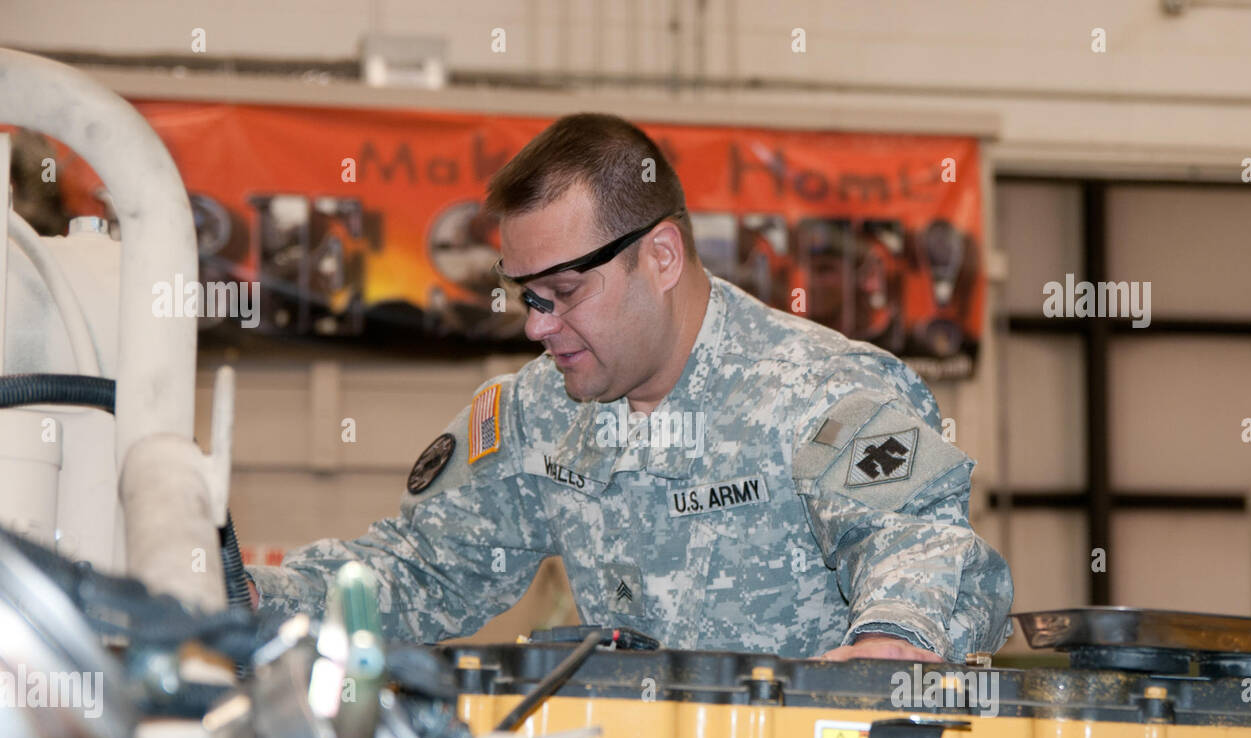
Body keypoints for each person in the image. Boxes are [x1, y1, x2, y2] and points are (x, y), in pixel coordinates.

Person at [247, 113, 1013, 663]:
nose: (537, 328)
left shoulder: (817, 393)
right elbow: (424, 569)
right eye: (527, 297)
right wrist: (259, 598)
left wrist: (895, 639)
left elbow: (929, 542)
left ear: (663, 256)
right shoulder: (536, 414)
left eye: (565, 293)